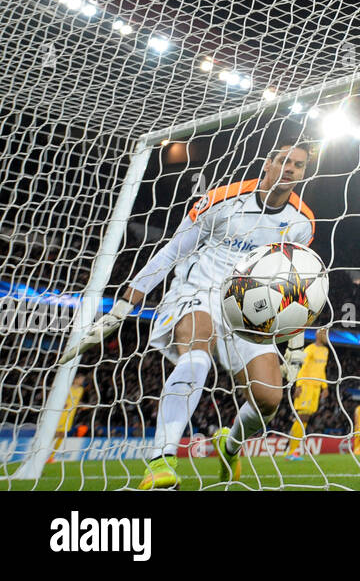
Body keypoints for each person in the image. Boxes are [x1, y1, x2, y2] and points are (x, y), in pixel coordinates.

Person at [62, 143, 317, 489]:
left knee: (269, 400)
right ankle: (160, 461)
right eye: (284, 161)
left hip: (247, 309)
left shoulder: (302, 222)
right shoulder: (221, 199)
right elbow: (172, 252)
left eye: (298, 165)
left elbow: (293, 281)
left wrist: (295, 345)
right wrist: (125, 304)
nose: (290, 169)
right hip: (199, 292)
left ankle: (229, 447)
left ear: (303, 172)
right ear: (268, 163)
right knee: (197, 358)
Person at [287, 328, 331, 459]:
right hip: (306, 386)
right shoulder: (309, 349)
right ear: (318, 335)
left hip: (316, 388)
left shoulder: (325, 351)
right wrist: (298, 385)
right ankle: (291, 451)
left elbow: (322, 370)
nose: (327, 336)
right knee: (302, 417)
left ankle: (294, 450)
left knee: (306, 418)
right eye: (324, 334)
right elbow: (302, 367)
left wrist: (325, 387)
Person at [48, 372, 87, 461]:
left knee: (62, 435)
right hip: (62, 413)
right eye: (81, 379)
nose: (82, 381)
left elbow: (76, 401)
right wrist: (61, 403)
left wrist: (82, 405)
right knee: (55, 434)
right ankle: (43, 452)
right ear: (75, 379)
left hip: (70, 415)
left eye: (83, 380)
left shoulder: (81, 389)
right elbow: (59, 397)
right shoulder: (68, 387)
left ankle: (51, 457)